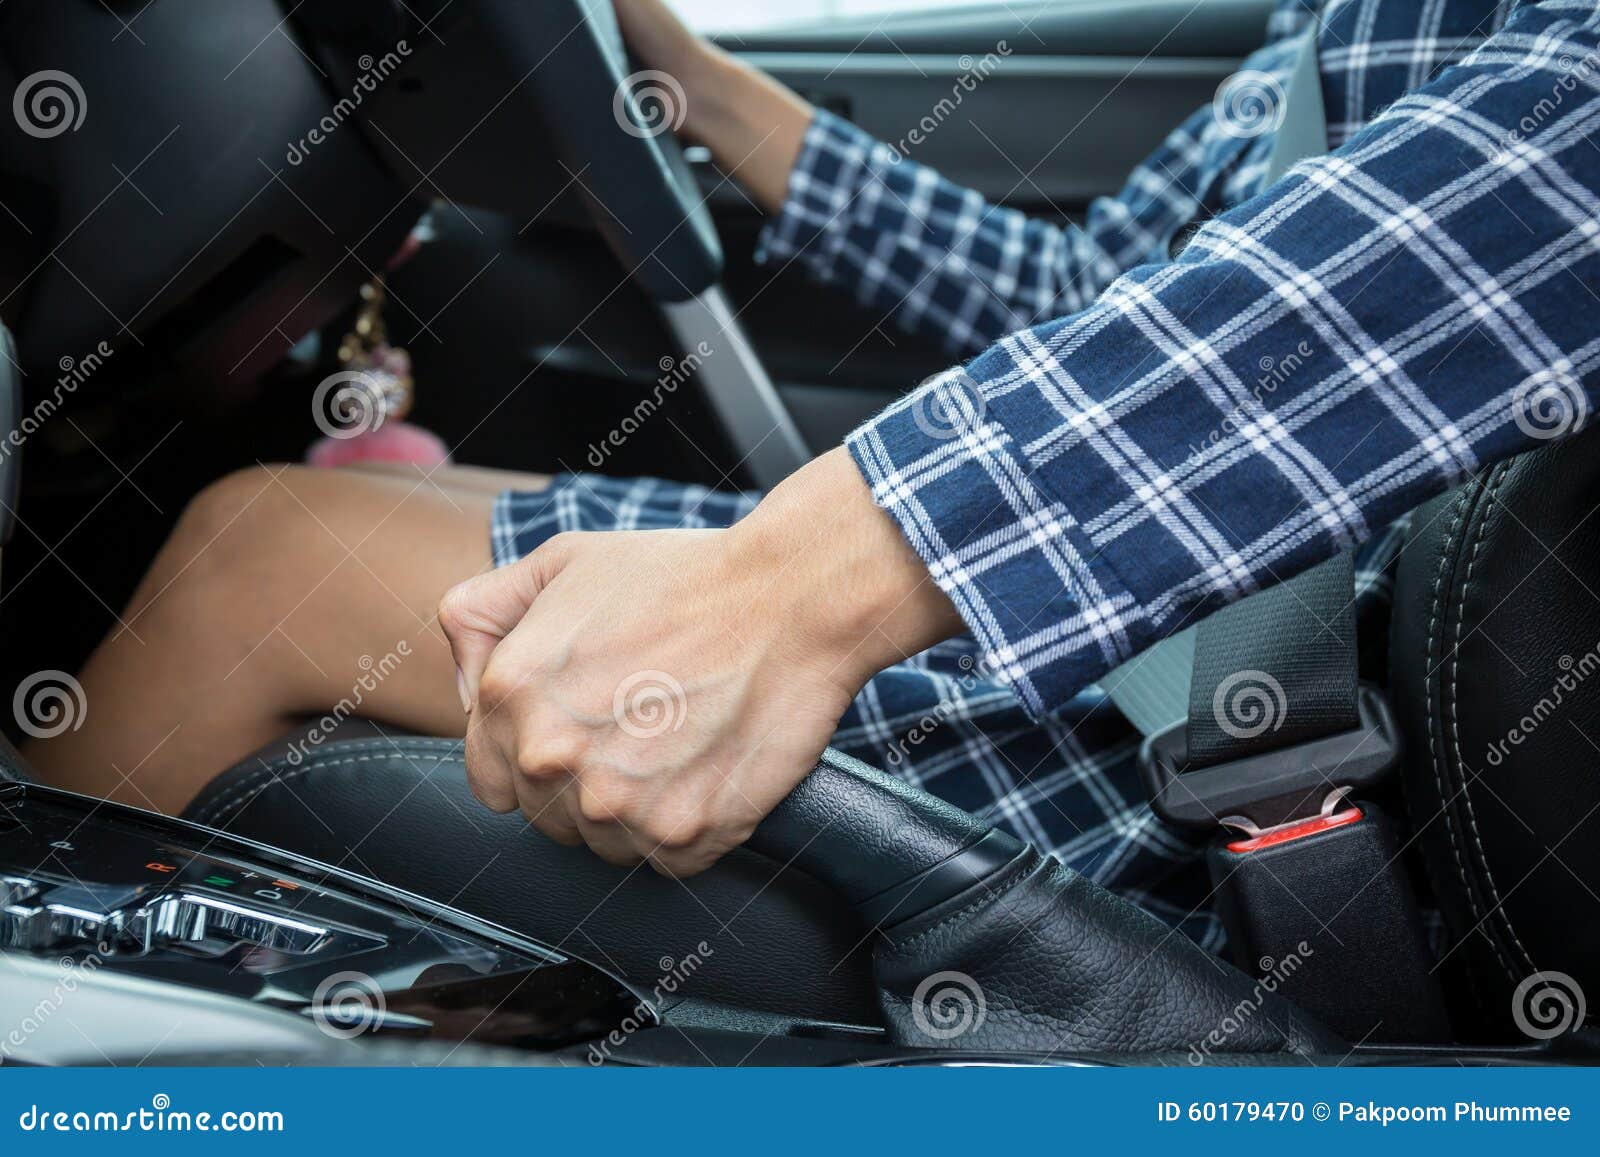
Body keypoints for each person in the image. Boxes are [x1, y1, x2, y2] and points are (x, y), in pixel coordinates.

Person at [25, 0, 1600, 950]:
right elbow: (1094, 297)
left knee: (259, 562)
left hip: (1275, 747)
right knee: (320, 533)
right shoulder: (1336, 32)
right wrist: (686, 77)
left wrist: (804, 585)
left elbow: (1550, 190)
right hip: (1218, 622)